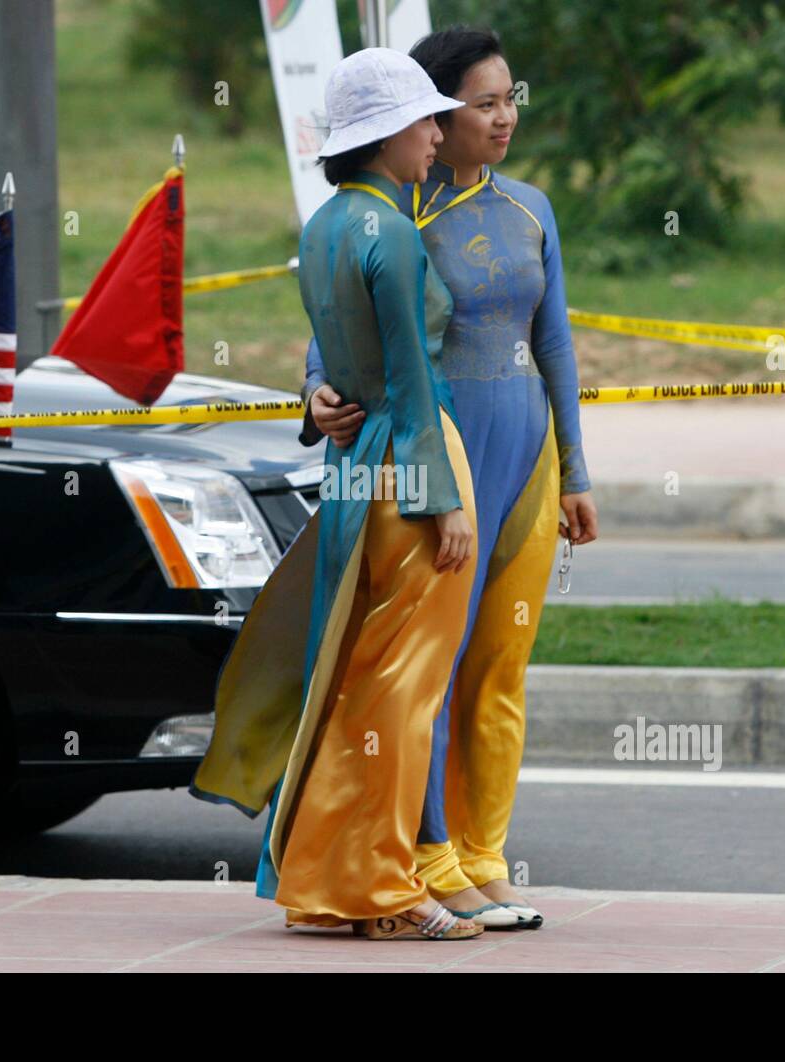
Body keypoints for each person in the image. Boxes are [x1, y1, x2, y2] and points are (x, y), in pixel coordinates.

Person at [299, 27, 599, 929]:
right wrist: (313, 391)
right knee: (428, 667)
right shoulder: (395, 216)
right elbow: (341, 327)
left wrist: (577, 472)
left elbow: (555, 344)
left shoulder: (533, 210)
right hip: (442, 461)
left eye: (512, 99)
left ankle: (483, 853)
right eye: (483, 103)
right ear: (429, 113)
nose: (504, 118)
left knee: (500, 668)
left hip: (528, 463)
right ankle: (424, 857)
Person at [190, 47, 486, 941]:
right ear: (390, 133)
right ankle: (388, 891)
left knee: (355, 680)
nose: (439, 136)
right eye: (428, 121)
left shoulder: (324, 226)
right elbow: (406, 376)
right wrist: (449, 503)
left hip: (356, 474)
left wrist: (319, 410)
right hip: (414, 467)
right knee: (401, 691)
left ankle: (330, 875)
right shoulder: (392, 232)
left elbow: (337, 370)